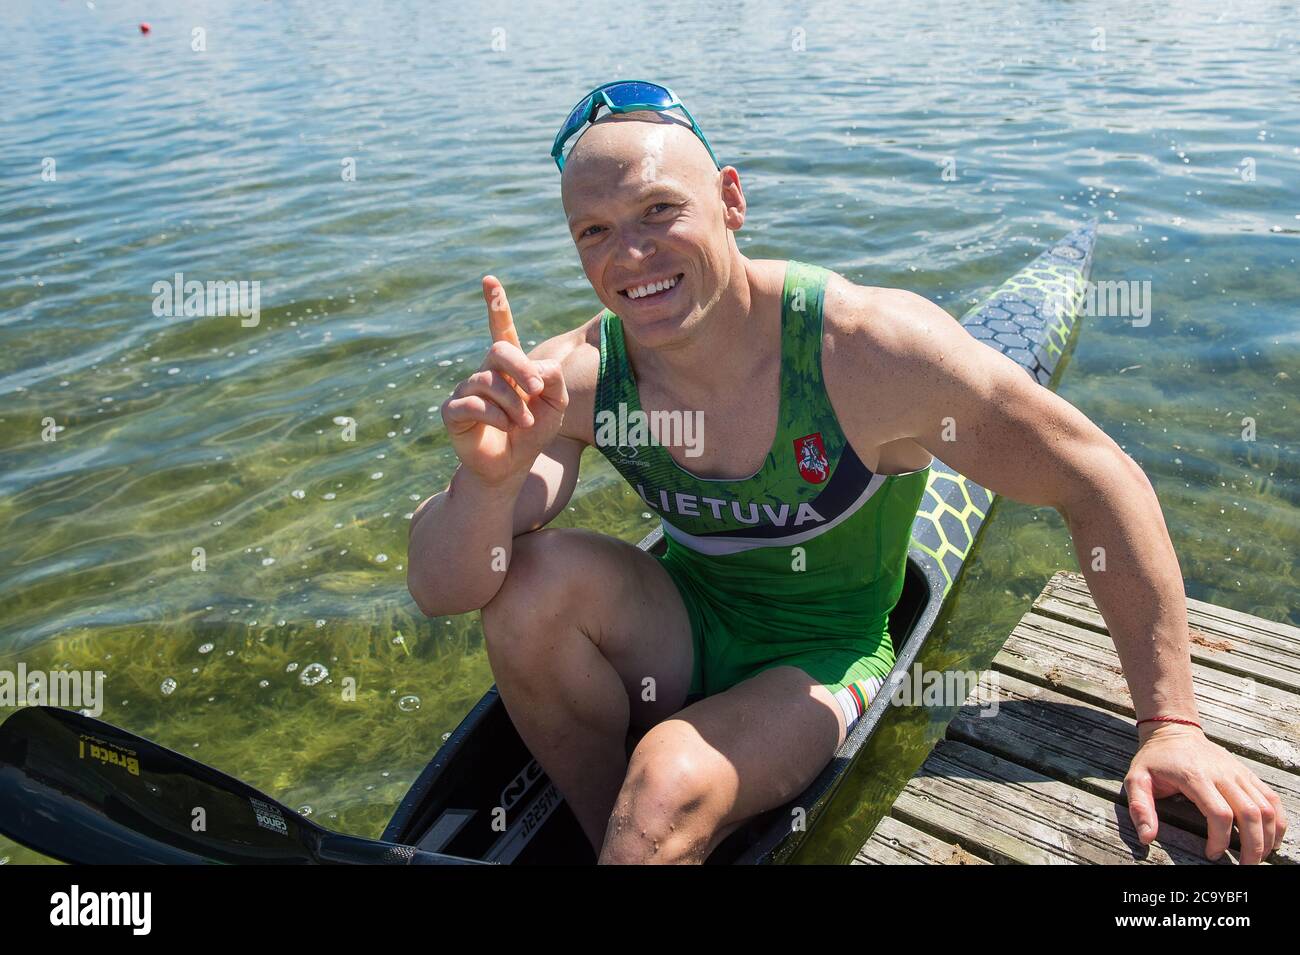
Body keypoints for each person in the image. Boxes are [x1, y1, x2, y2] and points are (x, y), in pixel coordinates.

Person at [408, 81, 1287, 864]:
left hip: (822, 652)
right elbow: (445, 588)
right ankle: (619, 834)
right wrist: (486, 483)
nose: (628, 256)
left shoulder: (871, 353)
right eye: (595, 232)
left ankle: (656, 817)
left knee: (669, 776)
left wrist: (1172, 724)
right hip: (683, 624)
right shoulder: (575, 377)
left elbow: (1097, 477)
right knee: (524, 586)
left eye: (658, 213)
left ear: (730, 200)